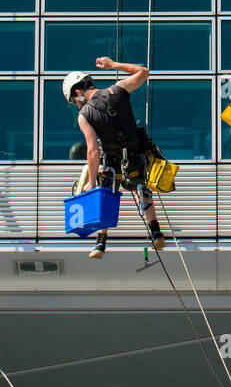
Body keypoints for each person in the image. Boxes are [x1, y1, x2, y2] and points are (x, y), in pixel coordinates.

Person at [64, 57, 166, 258]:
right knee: (139, 188)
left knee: (105, 193)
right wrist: (113, 66)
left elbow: (93, 151)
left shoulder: (84, 115)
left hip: (112, 160)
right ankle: (155, 231)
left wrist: (91, 182)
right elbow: (143, 72)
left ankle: (101, 243)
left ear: (78, 92)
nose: (77, 105)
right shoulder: (118, 89)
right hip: (135, 153)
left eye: (75, 101)